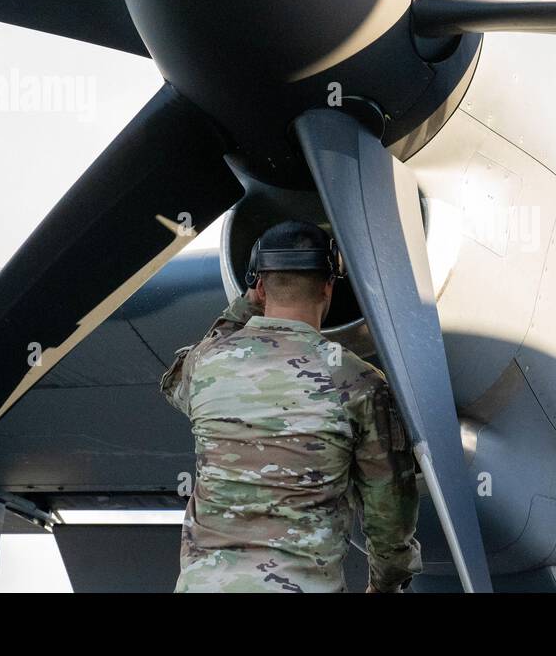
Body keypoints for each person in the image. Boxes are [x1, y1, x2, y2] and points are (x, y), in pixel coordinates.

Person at [160, 220, 421, 592]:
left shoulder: (207, 363)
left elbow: (175, 383)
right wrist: (385, 585)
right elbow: (389, 514)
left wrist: (244, 305)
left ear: (260, 286)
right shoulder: (359, 383)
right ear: (328, 287)